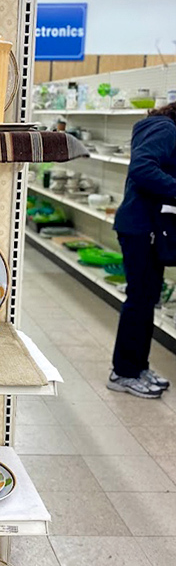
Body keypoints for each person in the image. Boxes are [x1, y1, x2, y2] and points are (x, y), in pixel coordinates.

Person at [109, 102, 176, 398]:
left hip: (146, 228)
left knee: (147, 300)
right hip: (142, 229)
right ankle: (123, 373)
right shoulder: (166, 128)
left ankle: (138, 366)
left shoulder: (161, 128)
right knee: (139, 300)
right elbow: (142, 168)